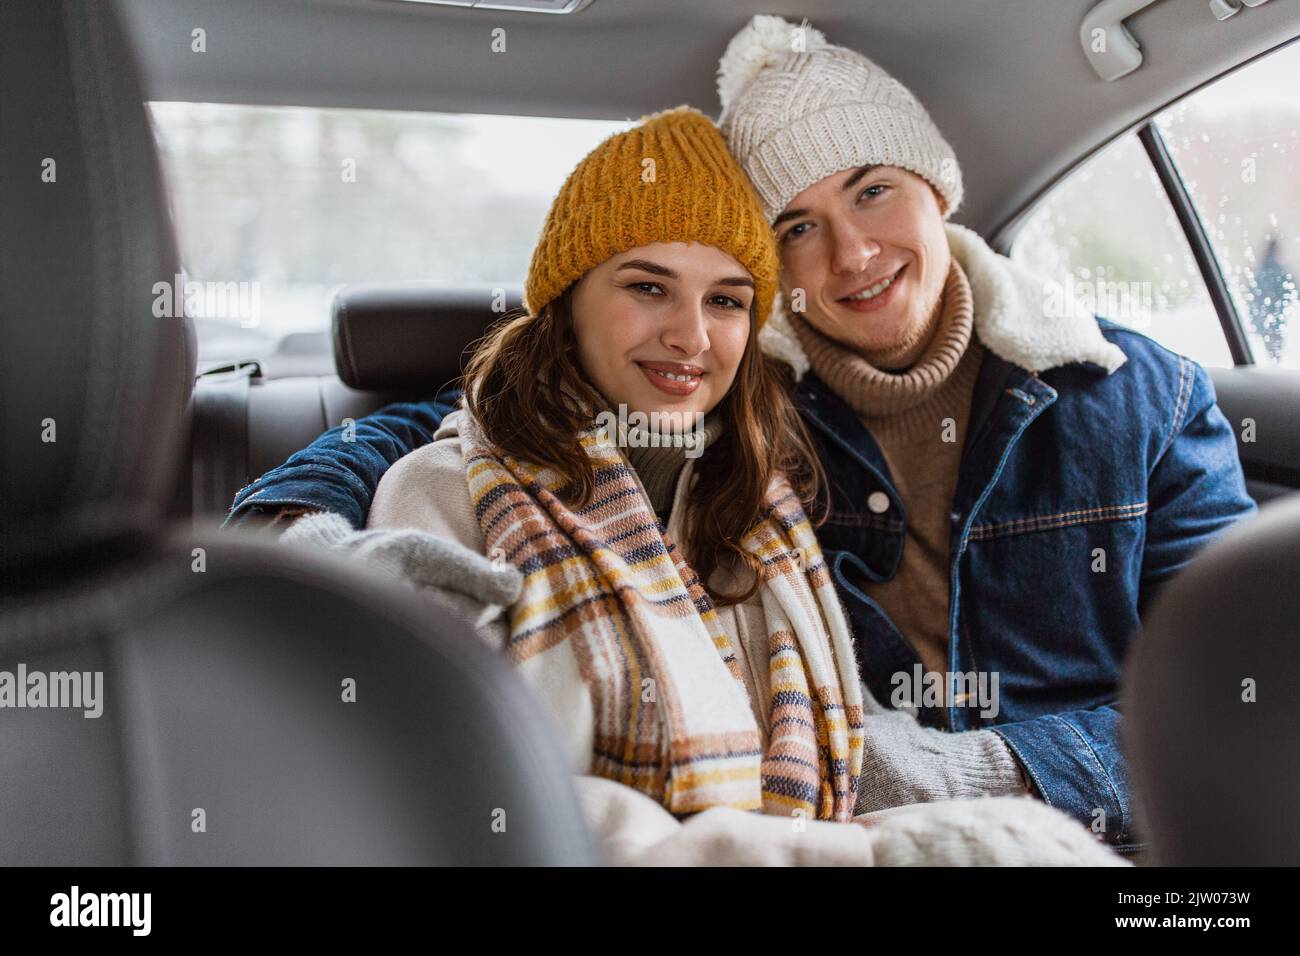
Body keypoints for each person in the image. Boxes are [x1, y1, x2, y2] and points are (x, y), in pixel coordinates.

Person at [227, 17, 1255, 854]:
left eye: (871, 190)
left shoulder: (1138, 394)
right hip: (833, 824)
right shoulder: (731, 394)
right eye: (796, 228)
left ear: (936, 190)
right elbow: (470, 425)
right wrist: (309, 538)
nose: (851, 252)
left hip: (1097, 838)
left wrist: (990, 773)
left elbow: (1230, 702)